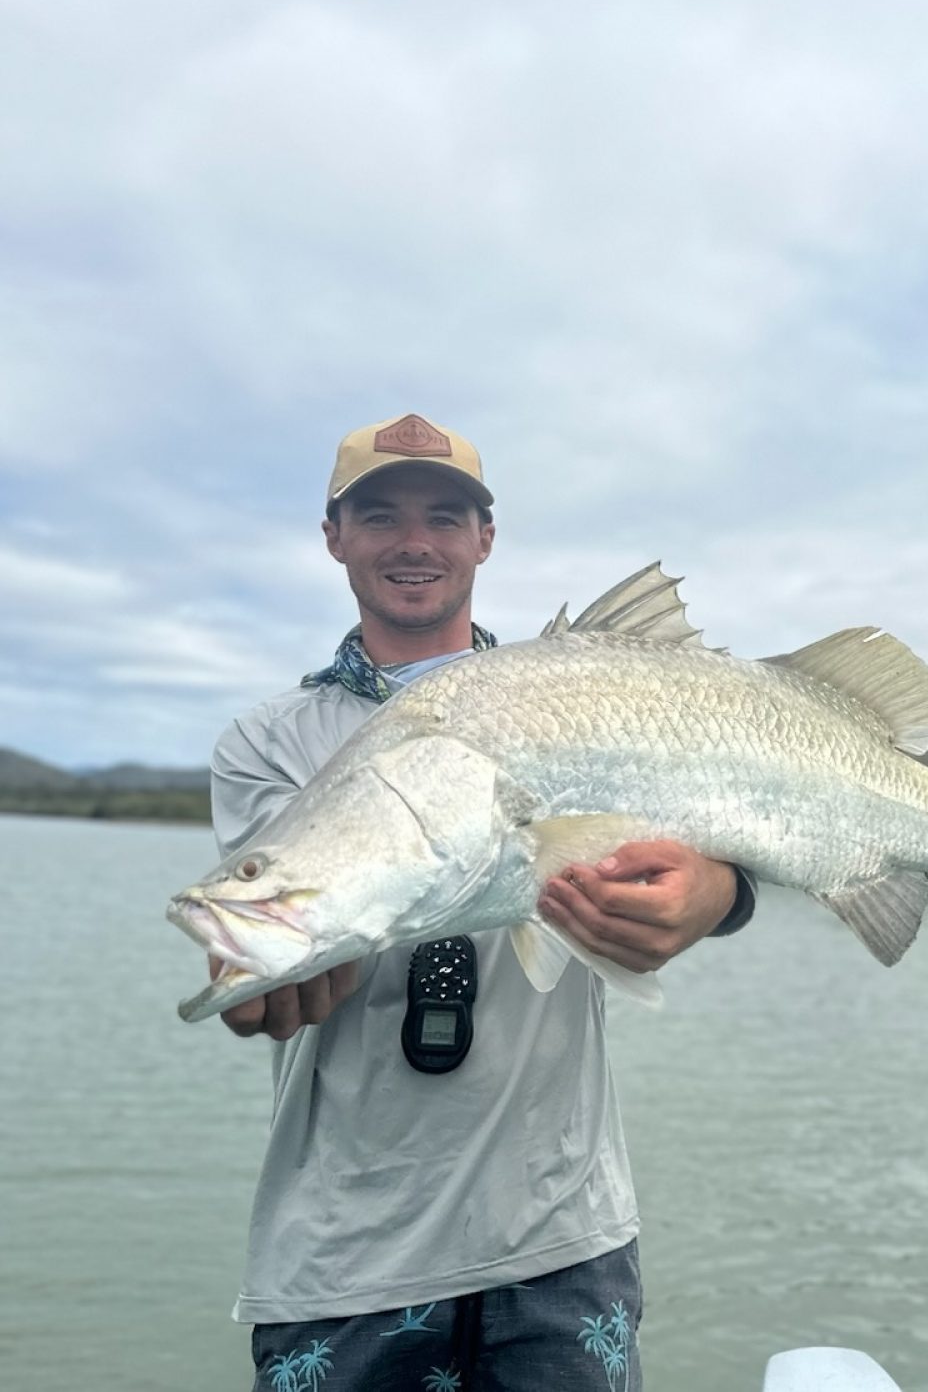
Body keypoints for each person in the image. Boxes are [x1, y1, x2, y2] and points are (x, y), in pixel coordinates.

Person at [210, 412, 755, 1391]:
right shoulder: (268, 739)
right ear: (333, 536)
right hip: (342, 1257)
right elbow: (298, 907)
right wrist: (267, 955)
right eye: (378, 515)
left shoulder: (591, 695)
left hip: (560, 1243)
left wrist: (721, 890)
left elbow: (721, 811)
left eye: (445, 517)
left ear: (485, 540)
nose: (414, 542)